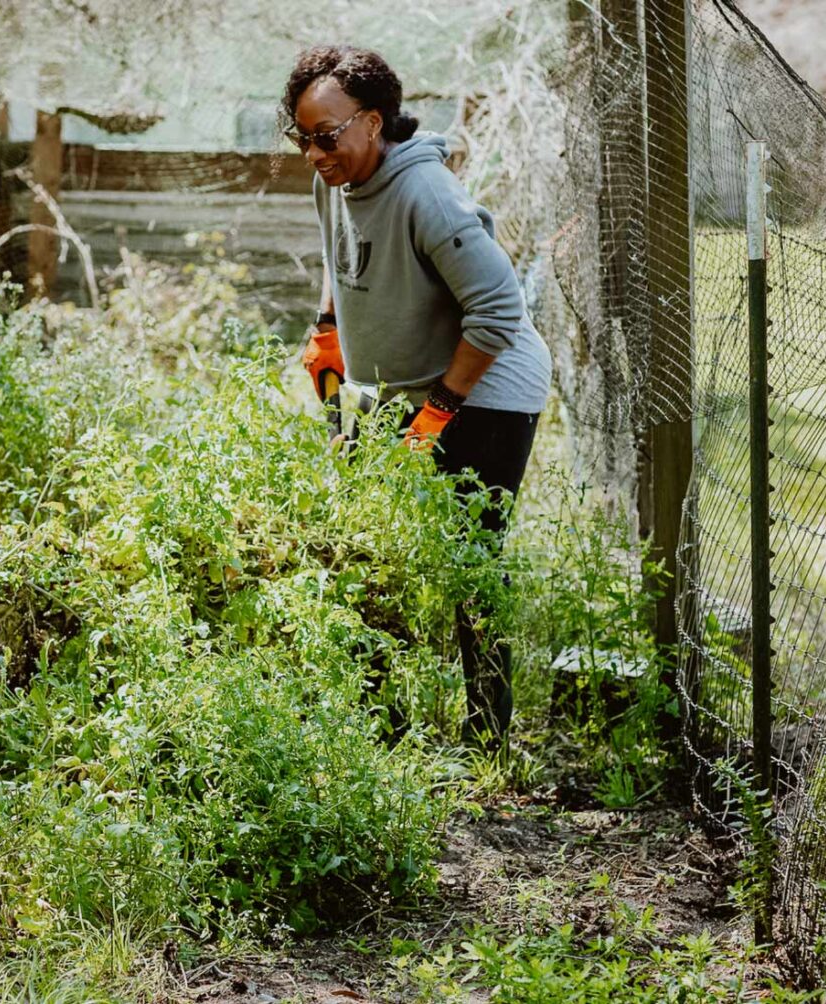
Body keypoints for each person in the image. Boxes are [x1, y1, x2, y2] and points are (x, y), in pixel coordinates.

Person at [283, 46, 552, 747]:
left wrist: (438, 413)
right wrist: (328, 327)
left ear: (372, 123)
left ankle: (486, 740)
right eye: (300, 135)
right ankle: (386, 734)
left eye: (326, 134)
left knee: (469, 562)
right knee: (360, 548)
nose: (313, 151)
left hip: (487, 389)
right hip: (399, 387)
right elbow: (337, 254)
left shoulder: (427, 193)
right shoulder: (335, 177)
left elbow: (497, 310)